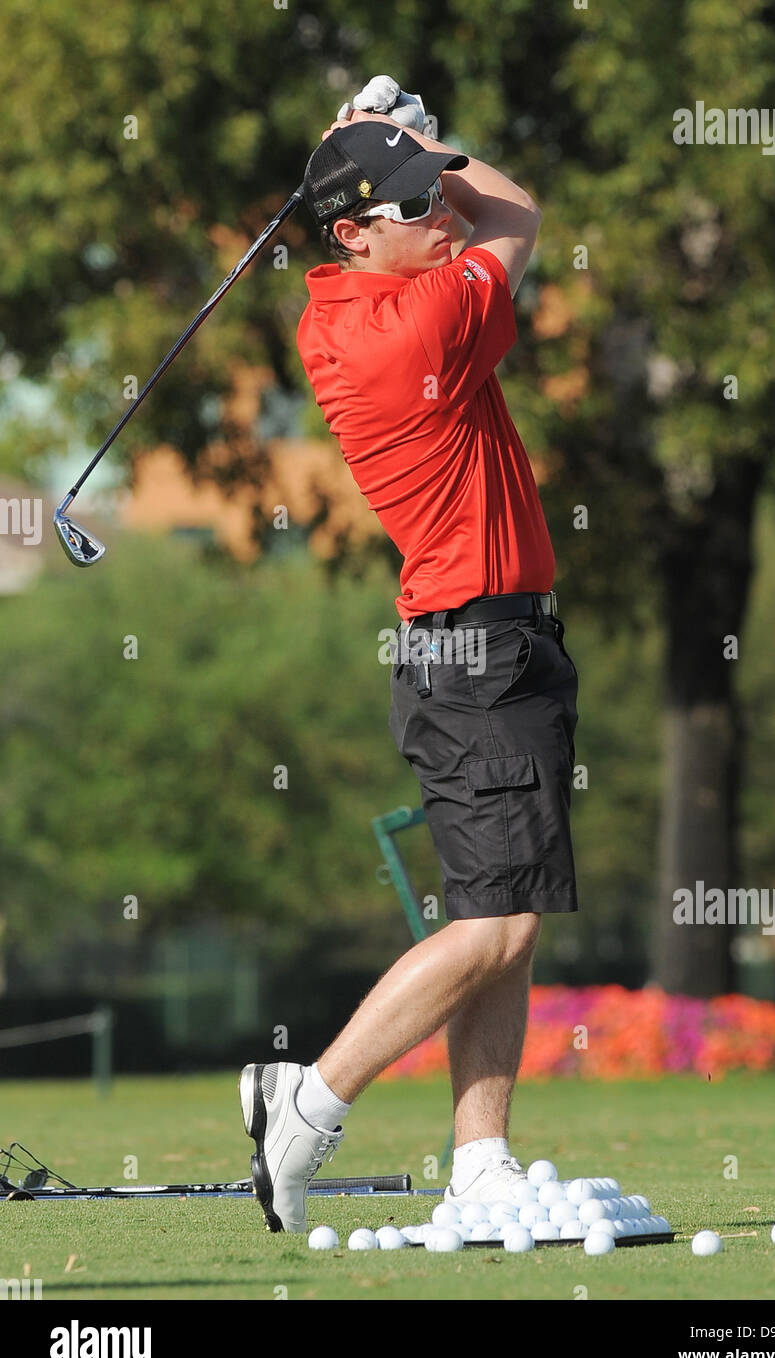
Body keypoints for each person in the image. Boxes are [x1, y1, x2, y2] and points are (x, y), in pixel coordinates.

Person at [239, 95, 579, 1234]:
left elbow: (453, 213)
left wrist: (376, 151)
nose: (441, 214)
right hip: (477, 651)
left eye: (437, 197)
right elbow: (516, 210)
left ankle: (479, 1160)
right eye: (414, 204)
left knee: (511, 914)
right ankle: (312, 1096)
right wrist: (432, 142)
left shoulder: (343, 304)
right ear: (351, 233)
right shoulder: (418, 320)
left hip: (487, 643)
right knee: (485, 928)